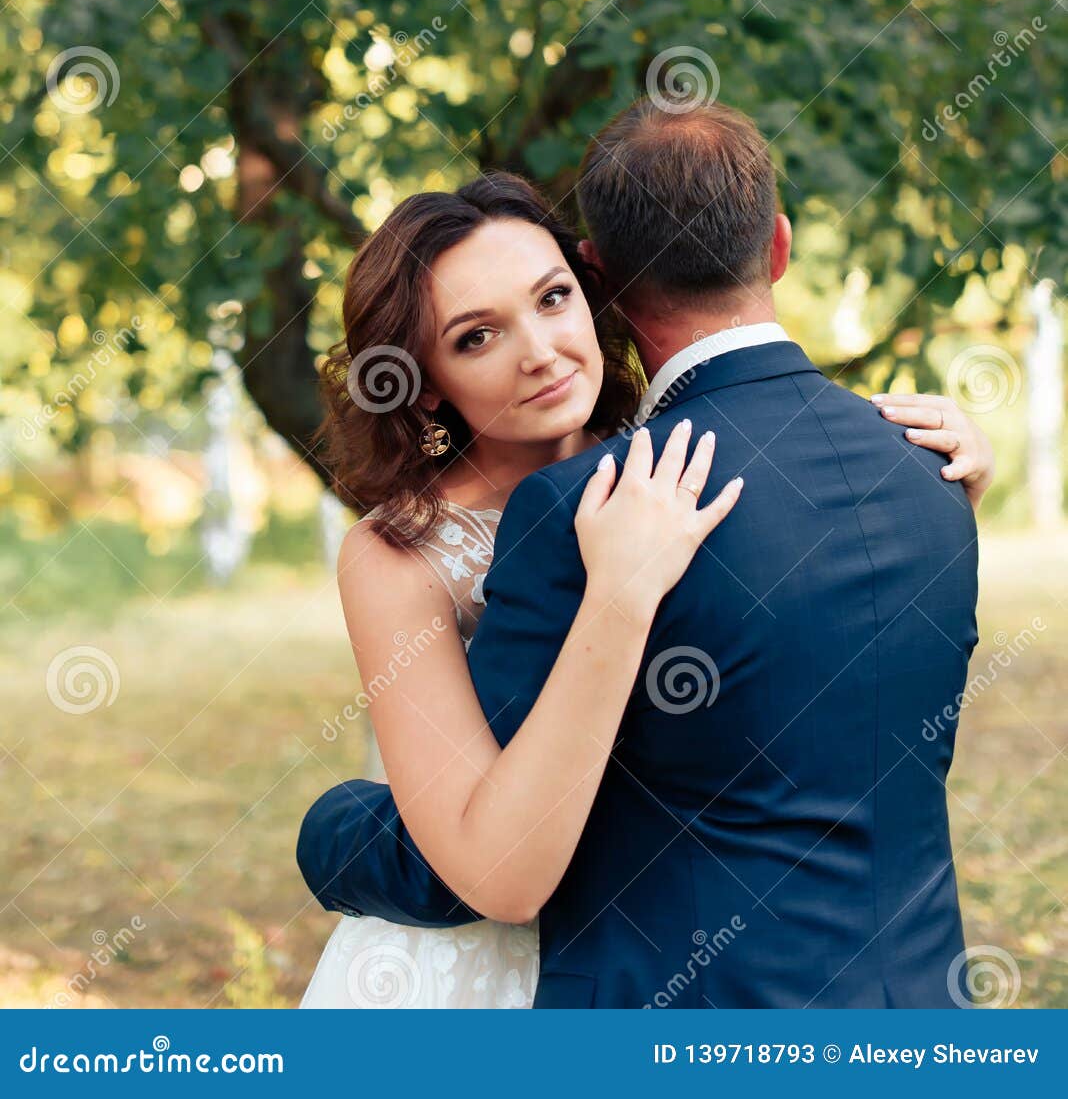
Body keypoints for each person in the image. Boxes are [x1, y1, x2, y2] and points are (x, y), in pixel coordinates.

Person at [298, 99, 992, 1008]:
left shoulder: (674, 458)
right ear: (423, 386)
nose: (541, 353)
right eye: (477, 335)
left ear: (595, 287)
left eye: (552, 300)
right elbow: (484, 863)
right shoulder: (398, 552)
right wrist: (616, 595)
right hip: (487, 972)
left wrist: (929, 481)